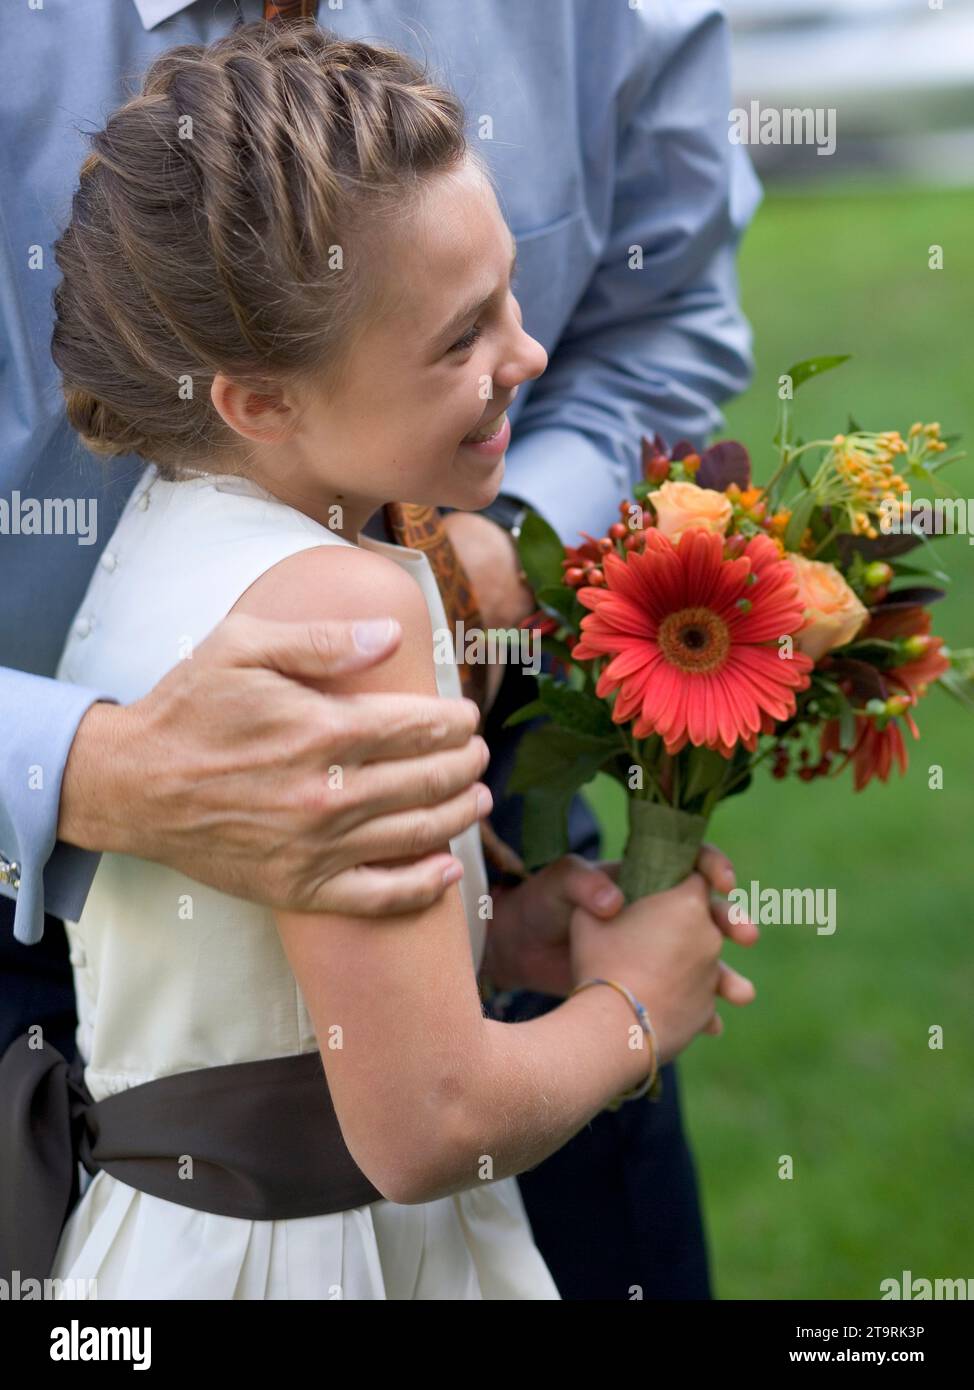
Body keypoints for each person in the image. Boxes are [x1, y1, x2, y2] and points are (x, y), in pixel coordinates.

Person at [1, 0, 762, 1299]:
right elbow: (431, 1122)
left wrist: (481, 930)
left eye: (515, 293)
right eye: (460, 333)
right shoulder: (349, 613)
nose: (528, 352)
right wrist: (632, 1011)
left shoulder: (158, 538)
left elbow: (239, 981)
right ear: (258, 397)